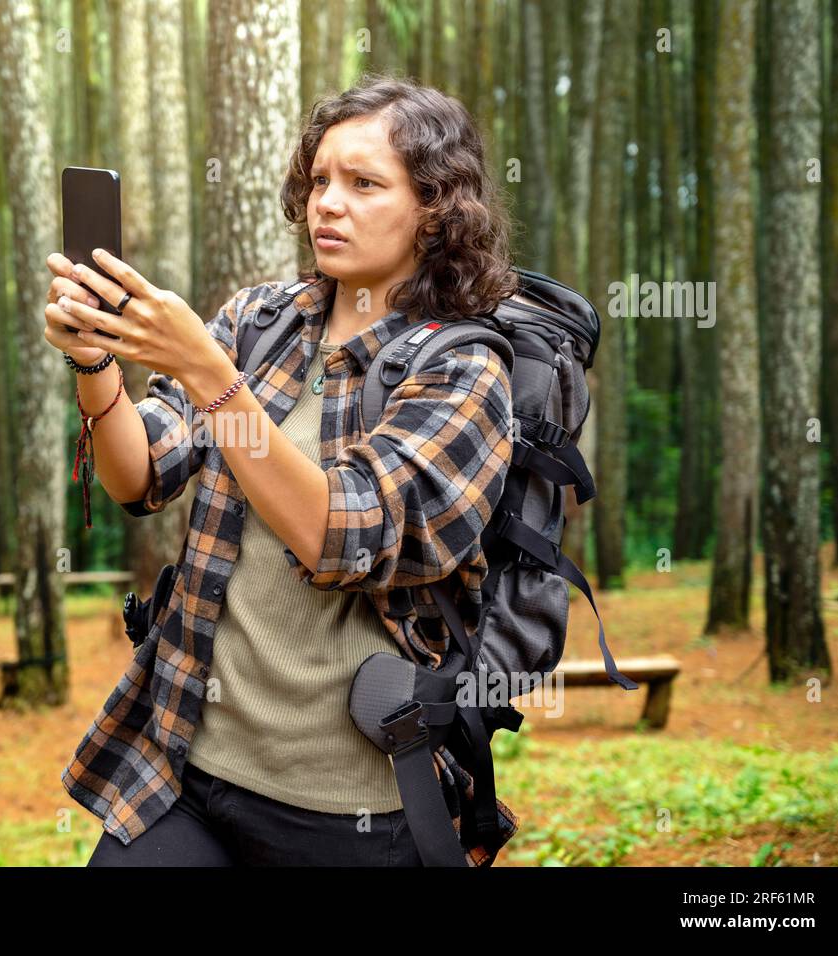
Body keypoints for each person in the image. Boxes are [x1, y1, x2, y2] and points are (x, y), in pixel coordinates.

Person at [45, 74, 518, 866]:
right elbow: (139, 476)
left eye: (365, 183)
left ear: (436, 208)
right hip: (187, 773)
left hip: (349, 812)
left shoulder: (463, 367)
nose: (327, 203)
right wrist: (95, 360)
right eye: (320, 179)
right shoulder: (259, 324)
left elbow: (342, 535)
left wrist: (208, 376)